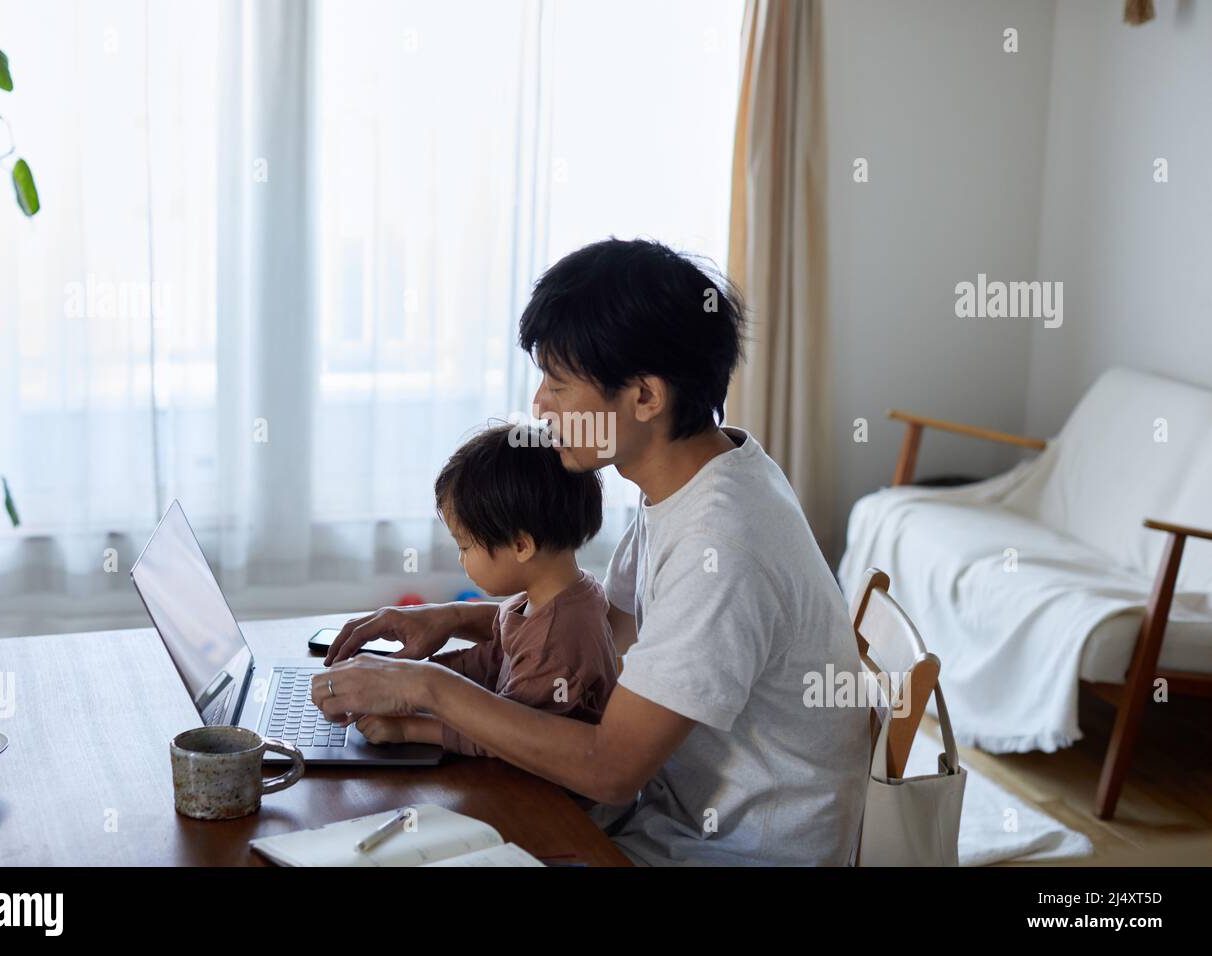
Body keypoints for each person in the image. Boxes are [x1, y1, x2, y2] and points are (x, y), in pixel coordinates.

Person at [314, 238, 870, 865]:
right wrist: (452, 618)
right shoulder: (700, 477)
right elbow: (602, 626)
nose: (539, 405)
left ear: (646, 397)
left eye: (558, 383)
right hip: (666, 812)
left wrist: (428, 687)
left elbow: (610, 768)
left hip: (723, 850)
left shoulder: (721, 544)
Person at [352, 423, 618, 755]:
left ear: (521, 545)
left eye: (464, 546)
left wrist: (410, 728)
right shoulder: (557, 595)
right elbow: (494, 659)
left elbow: (510, 739)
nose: (461, 558)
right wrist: (408, 680)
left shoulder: (555, 646)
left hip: (542, 786)